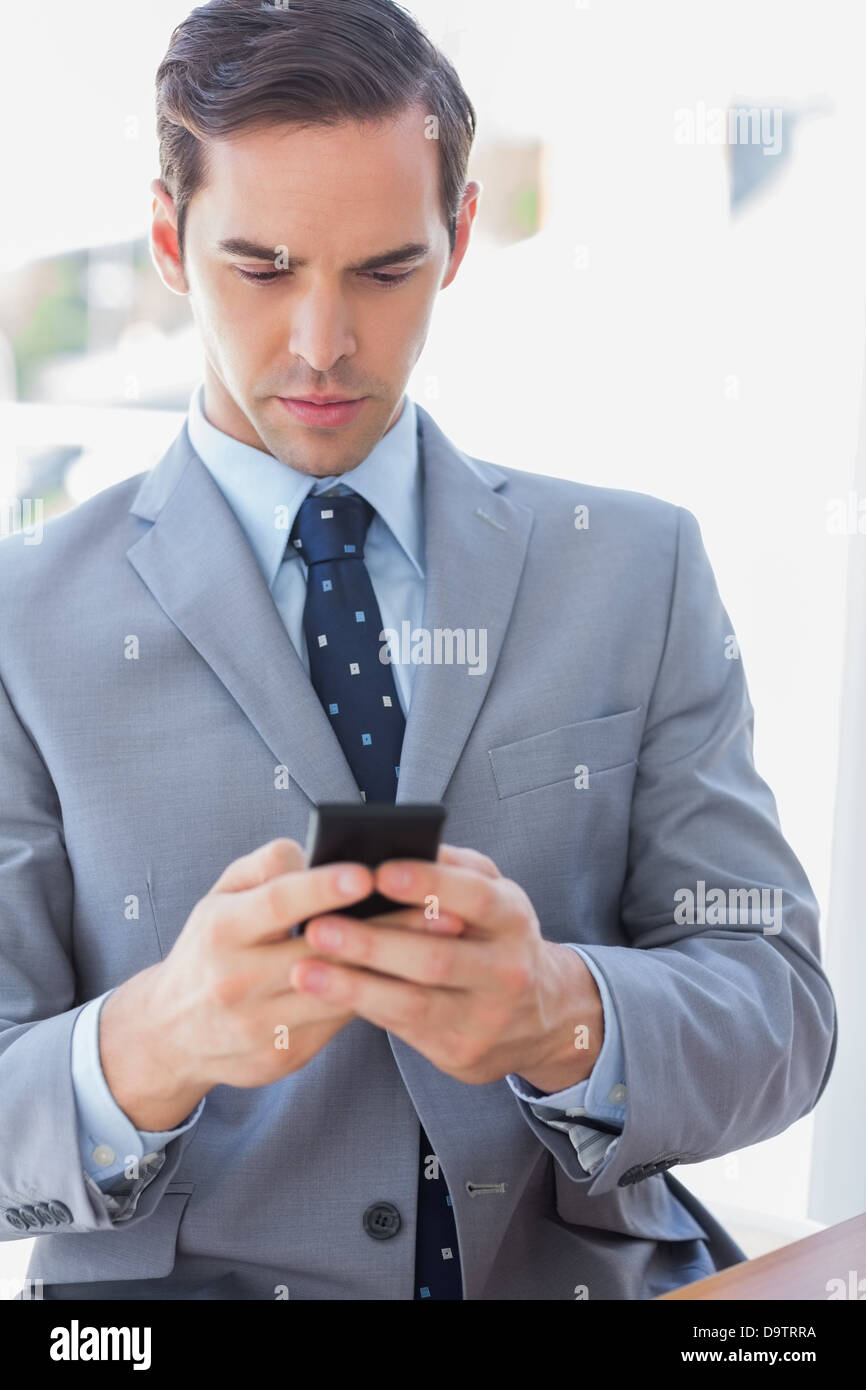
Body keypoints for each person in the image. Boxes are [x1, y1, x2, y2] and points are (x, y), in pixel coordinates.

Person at [0, 0, 836, 1301]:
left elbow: (780, 1011)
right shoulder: (19, 620)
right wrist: (151, 1043)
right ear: (169, 242)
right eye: (262, 267)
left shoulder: (635, 569)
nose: (323, 345)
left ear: (453, 241)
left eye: (383, 270)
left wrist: (567, 1014)